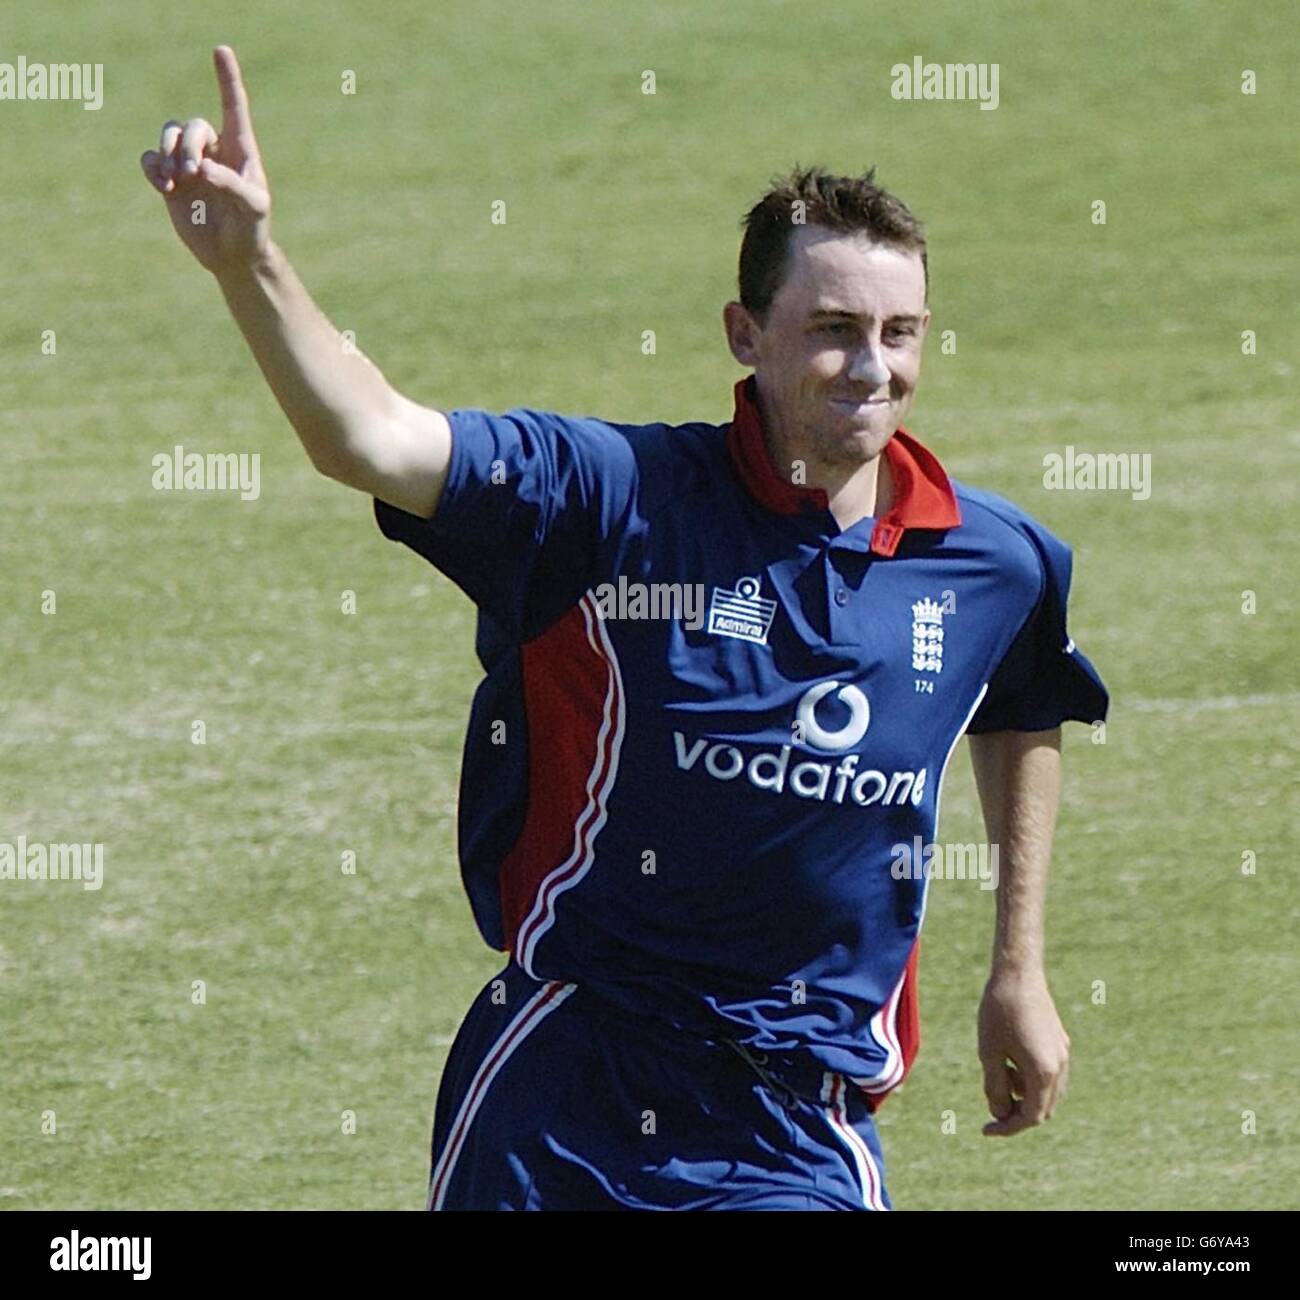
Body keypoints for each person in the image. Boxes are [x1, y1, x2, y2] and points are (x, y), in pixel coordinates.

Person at [142, 46, 1109, 1211]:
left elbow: (1021, 701)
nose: (871, 367)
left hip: (798, 1123)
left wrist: (1018, 968)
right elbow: (372, 440)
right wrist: (251, 263)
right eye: (833, 327)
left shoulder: (991, 563)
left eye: (900, 332)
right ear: (744, 335)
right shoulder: (610, 499)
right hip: (567, 1089)